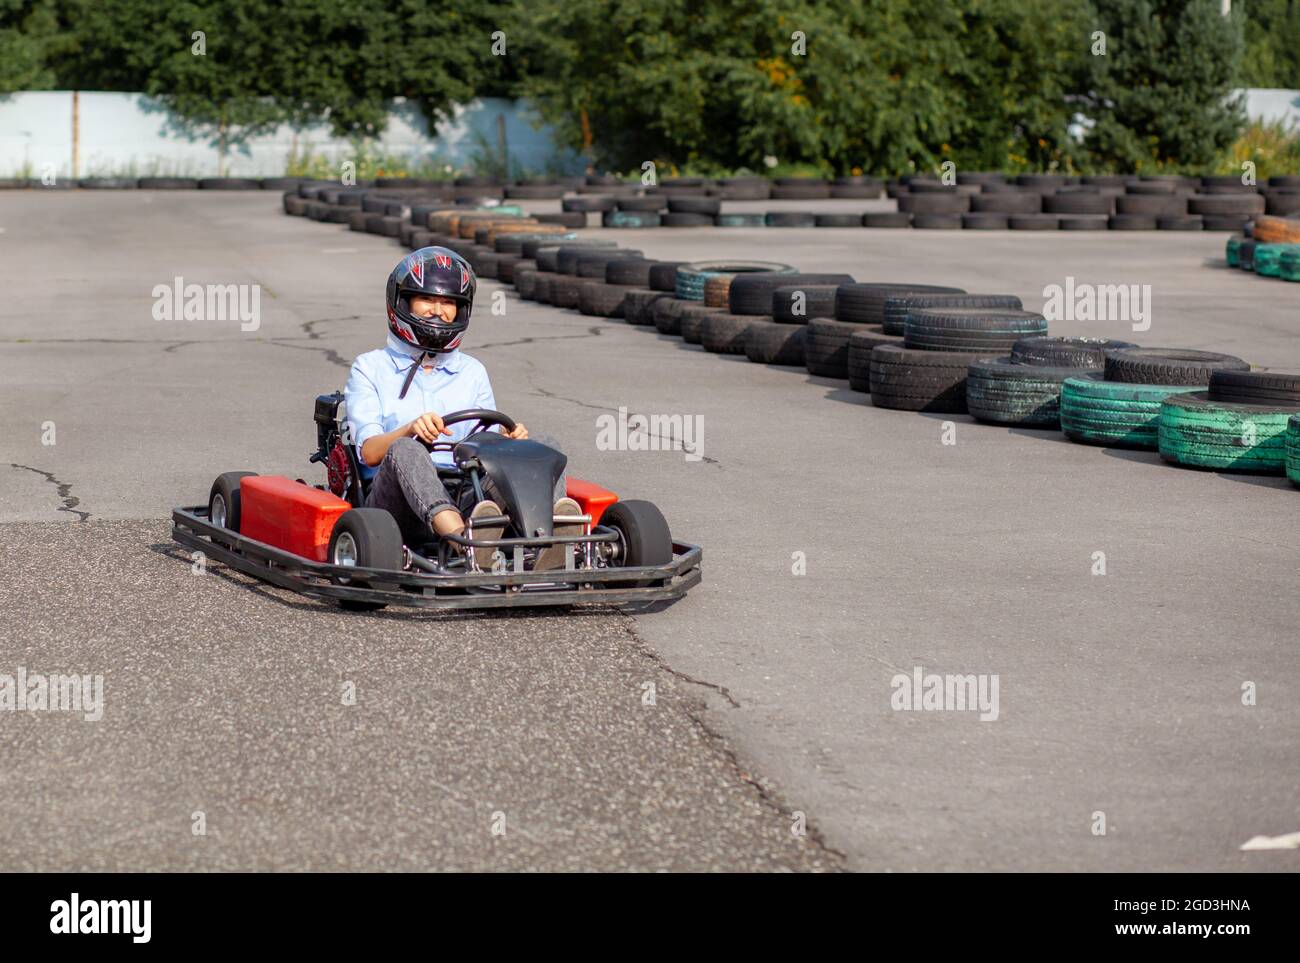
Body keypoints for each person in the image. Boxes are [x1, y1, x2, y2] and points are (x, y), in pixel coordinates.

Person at [344, 246, 579, 568]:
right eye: (427, 300)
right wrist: (410, 429)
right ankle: (467, 545)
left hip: (469, 490)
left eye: (448, 303)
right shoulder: (370, 368)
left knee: (543, 446)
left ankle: (549, 543)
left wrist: (510, 441)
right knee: (406, 449)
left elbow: (487, 449)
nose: (438, 312)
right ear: (402, 302)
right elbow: (369, 453)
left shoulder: (471, 370)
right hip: (396, 504)